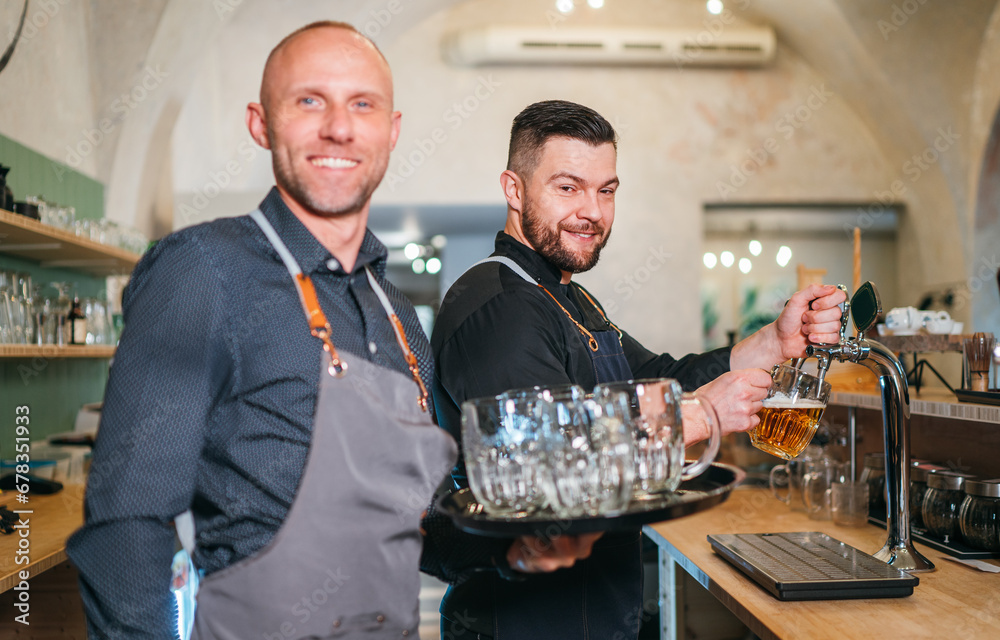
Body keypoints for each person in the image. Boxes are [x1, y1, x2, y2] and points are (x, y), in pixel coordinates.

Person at [67, 22, 458, 639]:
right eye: (309, 101)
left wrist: (510, 553)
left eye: (363, 104)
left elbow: (409, 523)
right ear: (261, 124)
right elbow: (126, 523)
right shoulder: (204, 272)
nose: (339, 126)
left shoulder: (397, 313)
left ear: (391, 129)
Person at [426, 99, 847, 639]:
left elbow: (665, 378)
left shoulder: (566, 299)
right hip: (525, 621)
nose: (593, 212)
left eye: (606, 190)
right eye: (568, 187)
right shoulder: (501, 306)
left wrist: (775, 341)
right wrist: (697, 419)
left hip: (593, 611)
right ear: (514, 189)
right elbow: (553, 466)